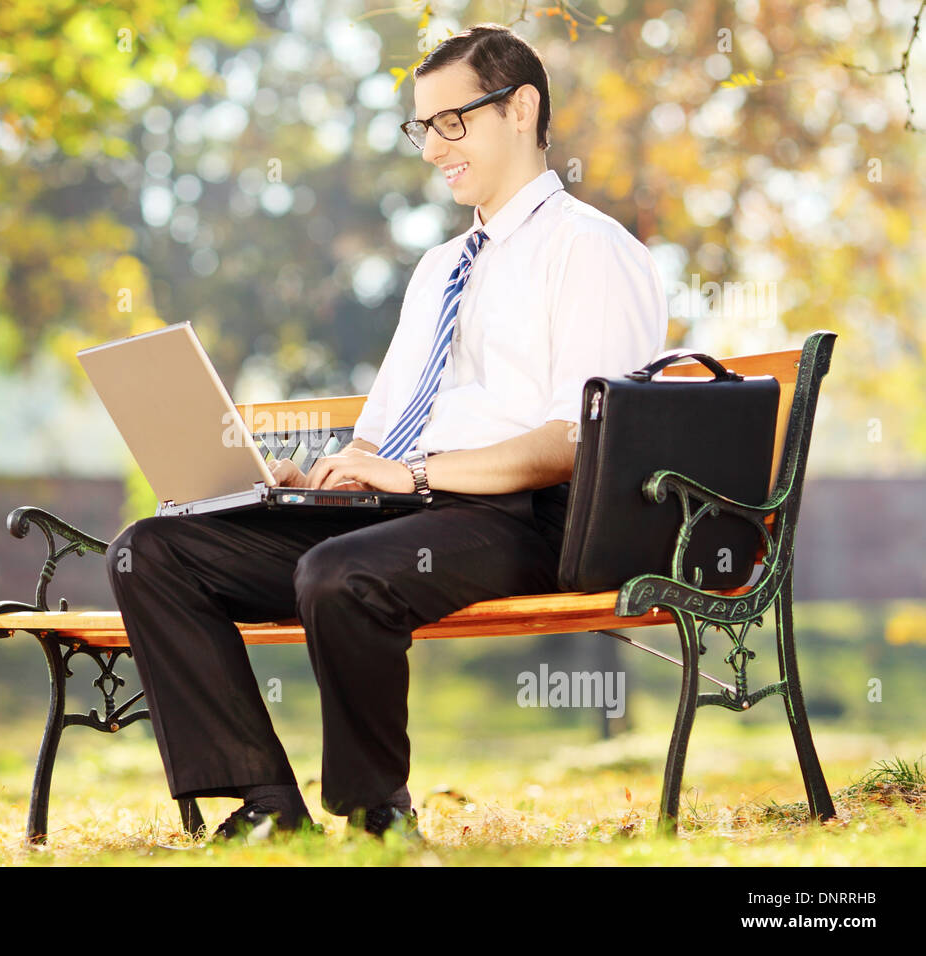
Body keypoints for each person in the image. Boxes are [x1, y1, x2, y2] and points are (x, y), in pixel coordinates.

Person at [105, 22, 668, 843]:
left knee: (340, 575)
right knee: (149, 551)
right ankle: (264, 803)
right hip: (401, 513)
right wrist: (303, 481)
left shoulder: (588, 251)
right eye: (421, 127)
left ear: (521, 108)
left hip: (524, 517)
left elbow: (578, 445)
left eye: (453, 122)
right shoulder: (440, 266)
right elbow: (381, 440)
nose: (434, 148)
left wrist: (421, 476)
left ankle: (378, 816)